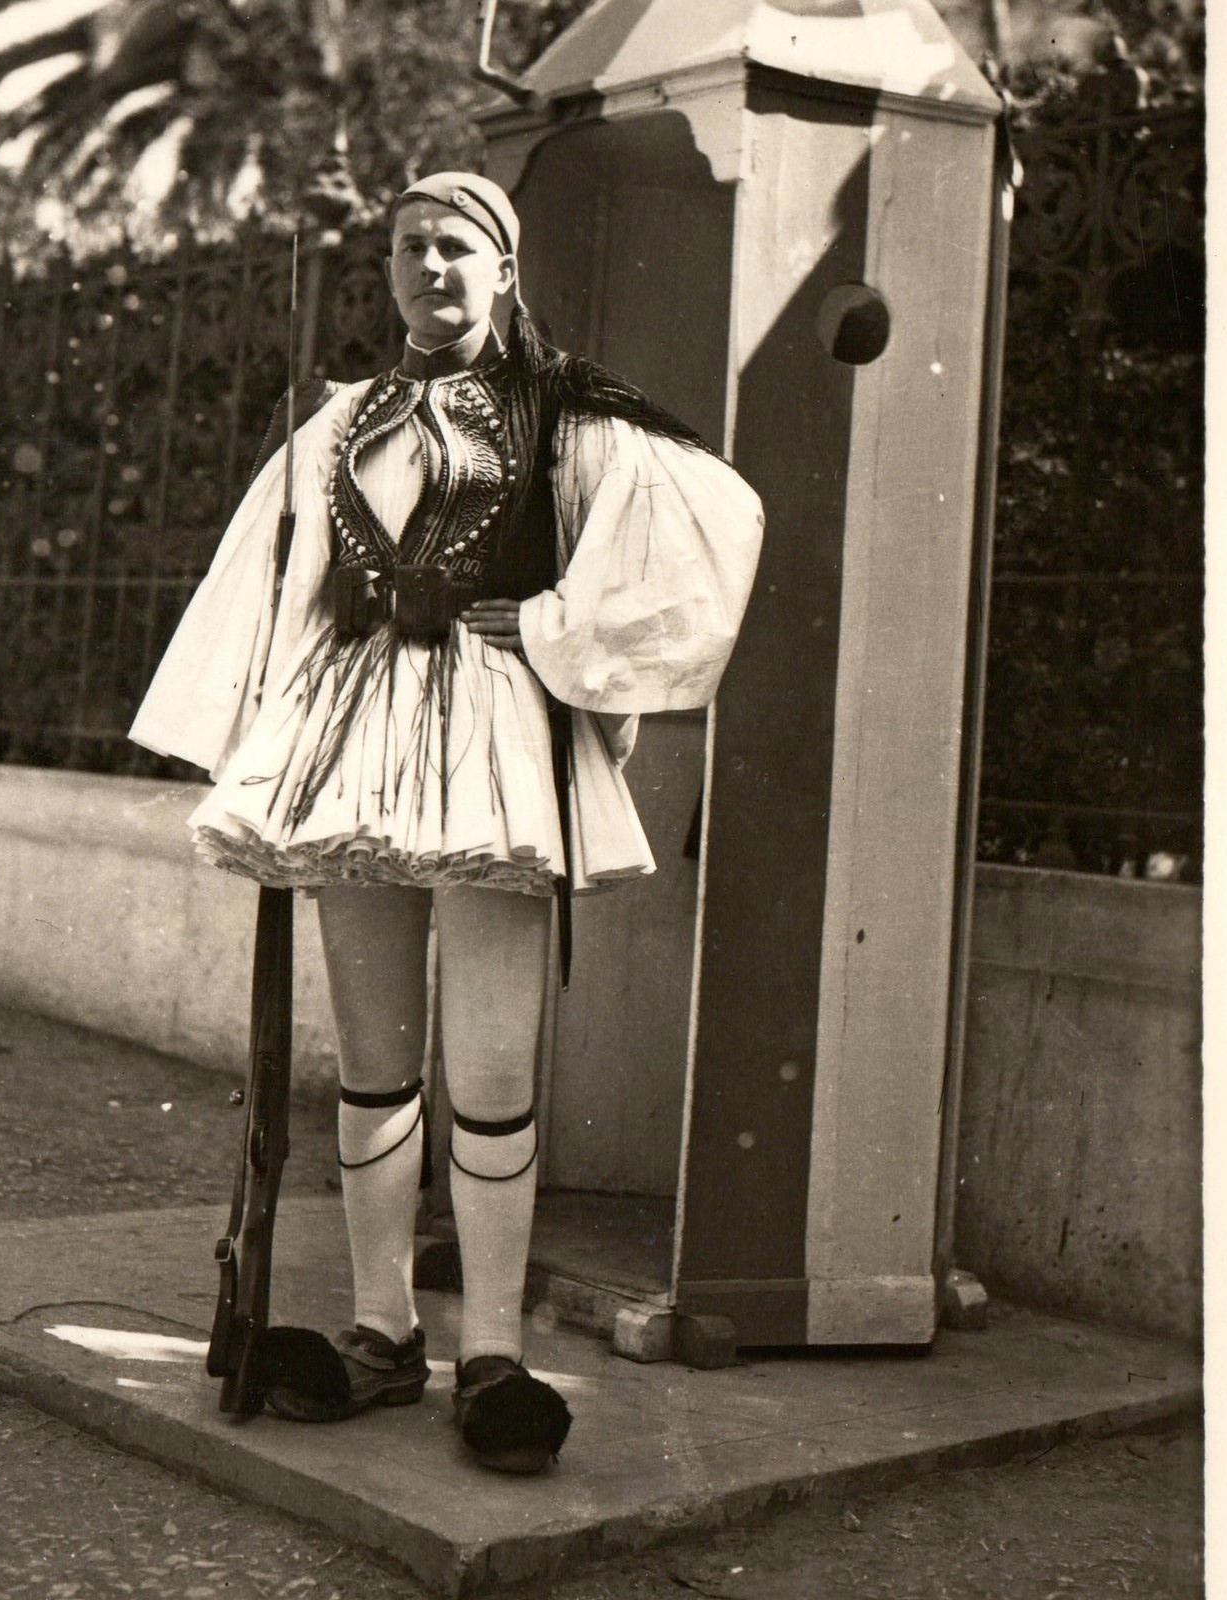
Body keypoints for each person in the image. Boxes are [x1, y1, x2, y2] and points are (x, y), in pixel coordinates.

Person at [130, 172, 764, 1474]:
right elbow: (278, 581)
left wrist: (552, 628)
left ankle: (493, 1354)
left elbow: (706, 526)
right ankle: (381, 1337)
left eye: (457, 246)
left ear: (504, 266)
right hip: (354, 745)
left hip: (494, 751)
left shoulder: (569, 414)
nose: (431, 266)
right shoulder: (338, 421)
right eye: (410, 246)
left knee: (491, 1073)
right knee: (376, 1065)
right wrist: (266, 738)